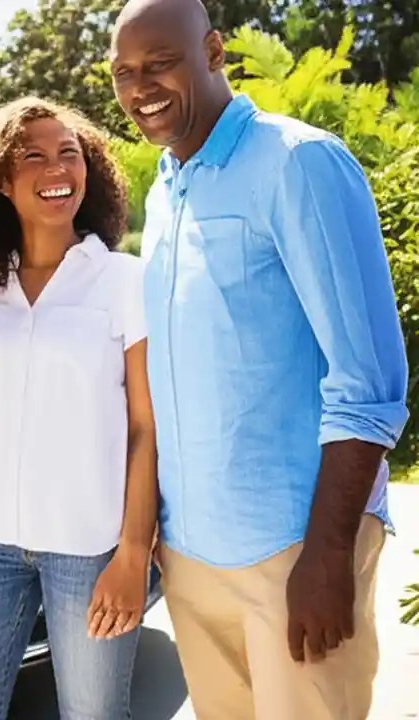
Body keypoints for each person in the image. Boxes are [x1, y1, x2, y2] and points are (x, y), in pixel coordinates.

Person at [108, 1, 409, 718]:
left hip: (292, 556)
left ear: (213, 52)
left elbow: (367, 382)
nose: (140, 86)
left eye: (161, 63)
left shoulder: (297, 162)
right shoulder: (168, 182)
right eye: (123, 72)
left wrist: (327, 556)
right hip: (191, 561)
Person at [0, 95, 159, 720]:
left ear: (90, 169)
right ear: (0, 177)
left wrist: (133, 553)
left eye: (69, 155)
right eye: (34, 157)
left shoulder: (124, 281)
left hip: (90, 547)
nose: (57, 170)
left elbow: (143, 428)